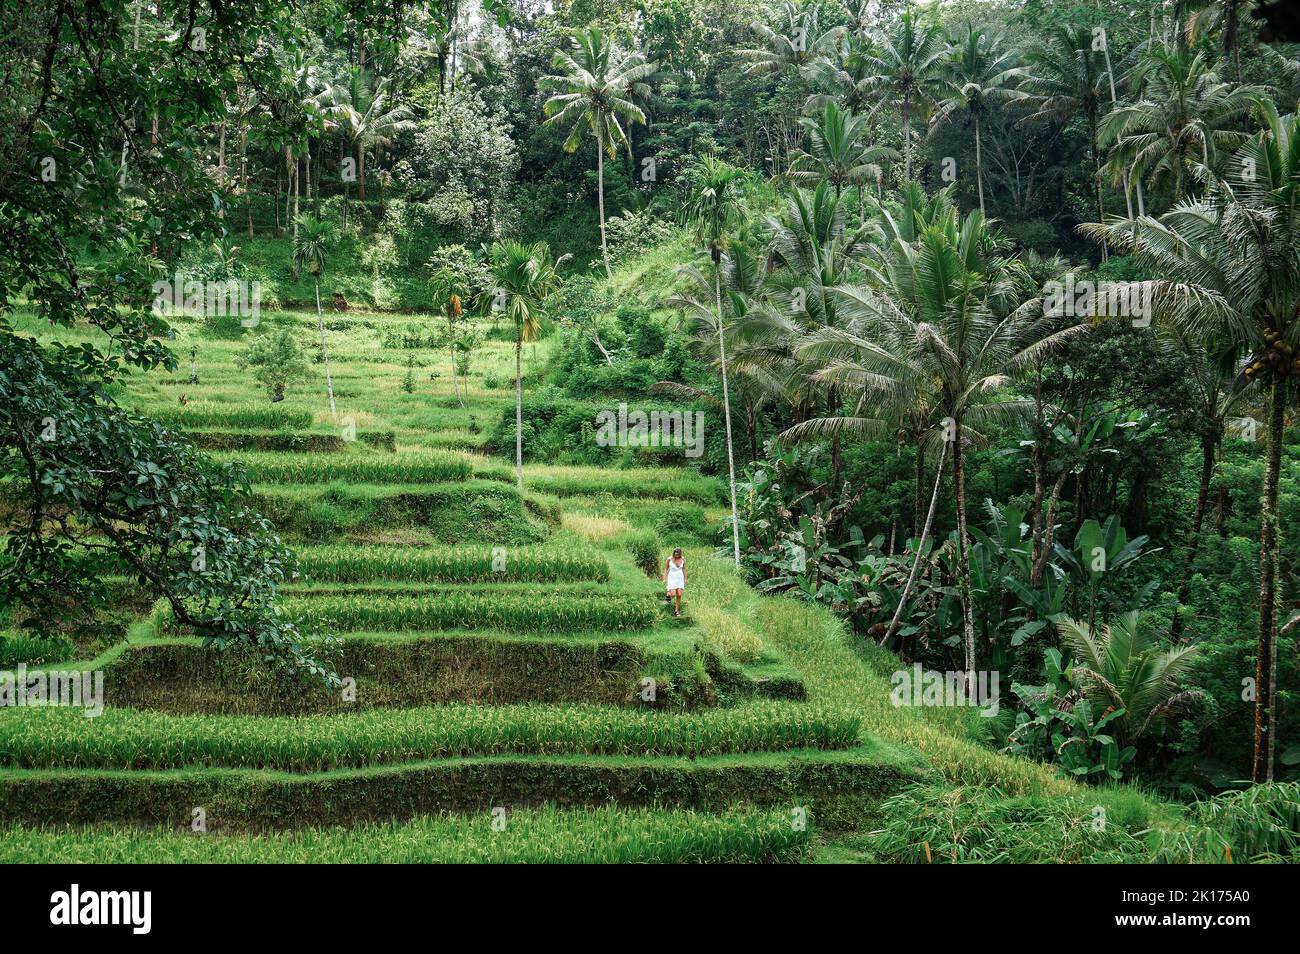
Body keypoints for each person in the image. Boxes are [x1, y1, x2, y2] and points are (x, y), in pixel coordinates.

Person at [664, 547, 686, 618]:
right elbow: (666, 569)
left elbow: (684, 569)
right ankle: (668, 595)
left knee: (679, 594)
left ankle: (676, 611)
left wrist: (685, 579)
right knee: (673, 595)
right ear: (673, 553)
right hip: (672, 578)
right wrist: (665, 578)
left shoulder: (683, 559)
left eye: (678, 554)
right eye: (675, 554)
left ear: (680, 554)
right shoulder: (669, 559)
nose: (676, 555)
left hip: (680, 578)